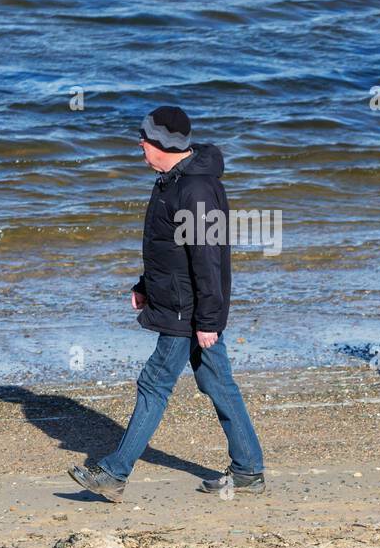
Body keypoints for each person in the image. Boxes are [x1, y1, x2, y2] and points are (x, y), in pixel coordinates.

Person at [68, 105, 266, 500]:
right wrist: (145, 284)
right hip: (179, 302)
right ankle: (248, 469)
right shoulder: (170, 180)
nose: (139, 145)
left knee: (153, 383)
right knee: (216, 381)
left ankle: (114, 473)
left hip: (188, 310)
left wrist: (208, 320)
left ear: (162, 144)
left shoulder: (195, 190)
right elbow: (167, 250)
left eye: (144, 139)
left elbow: (208, 260)